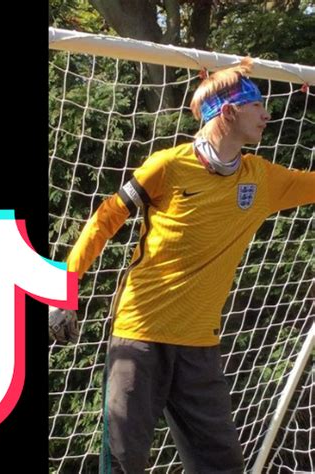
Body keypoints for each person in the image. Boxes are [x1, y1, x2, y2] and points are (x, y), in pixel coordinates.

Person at [62, 58, 315, 474]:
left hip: (199, 346)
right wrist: (63, 289)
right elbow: (106, 217)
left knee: (222, 466)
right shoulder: (167, 166)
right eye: (257, 105)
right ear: (229, 112)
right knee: (124, 463)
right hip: (140, 337)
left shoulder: (262, 179)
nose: (267, 114)